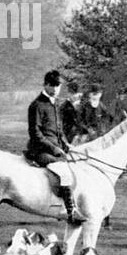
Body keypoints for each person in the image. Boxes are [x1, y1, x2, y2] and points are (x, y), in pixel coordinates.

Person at [26, 69, 76, 224]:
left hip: (56, 147)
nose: (55, 89)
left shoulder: (55, 104)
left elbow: (59, 130)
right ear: (45, 85)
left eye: (58, 86)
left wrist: (66, 144)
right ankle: (71, 211)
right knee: (63, 171)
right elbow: (35, 133)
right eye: (52, 86)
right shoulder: (37, 105)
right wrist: (54, 148)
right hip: (40, 150)